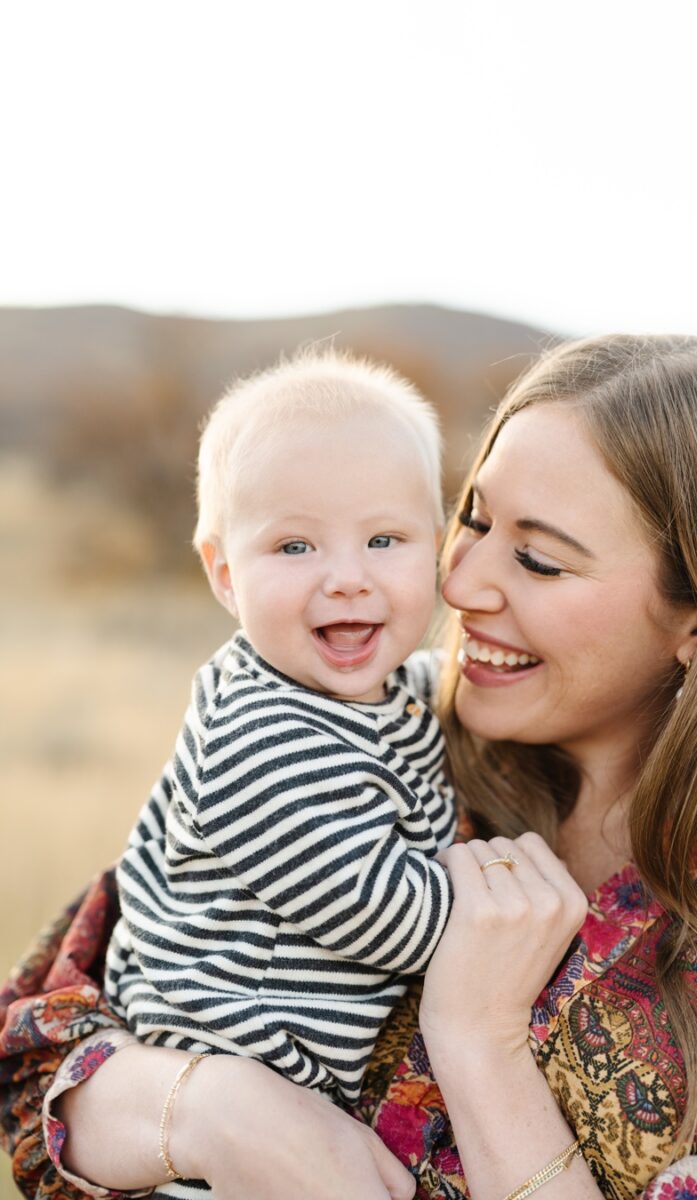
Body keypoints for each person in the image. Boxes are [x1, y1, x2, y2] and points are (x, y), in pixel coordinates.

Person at [1, 334, 697, 1200]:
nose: (459, 585)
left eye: (537, 558)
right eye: (473, 522)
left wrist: (478, 1039)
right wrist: (215, 1111)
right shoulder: (377, 732)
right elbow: (37, 1054)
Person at [106, 354, 456, 1156]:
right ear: (225, 573)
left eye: (383, 539)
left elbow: (443, 691)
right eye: (295, 547)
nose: (346, 579)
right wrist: (510, 887)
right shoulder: (259, 739)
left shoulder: (384, 686)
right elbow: (394, 922)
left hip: (302, 1091)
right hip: (235, 1091)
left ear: (434, 546)